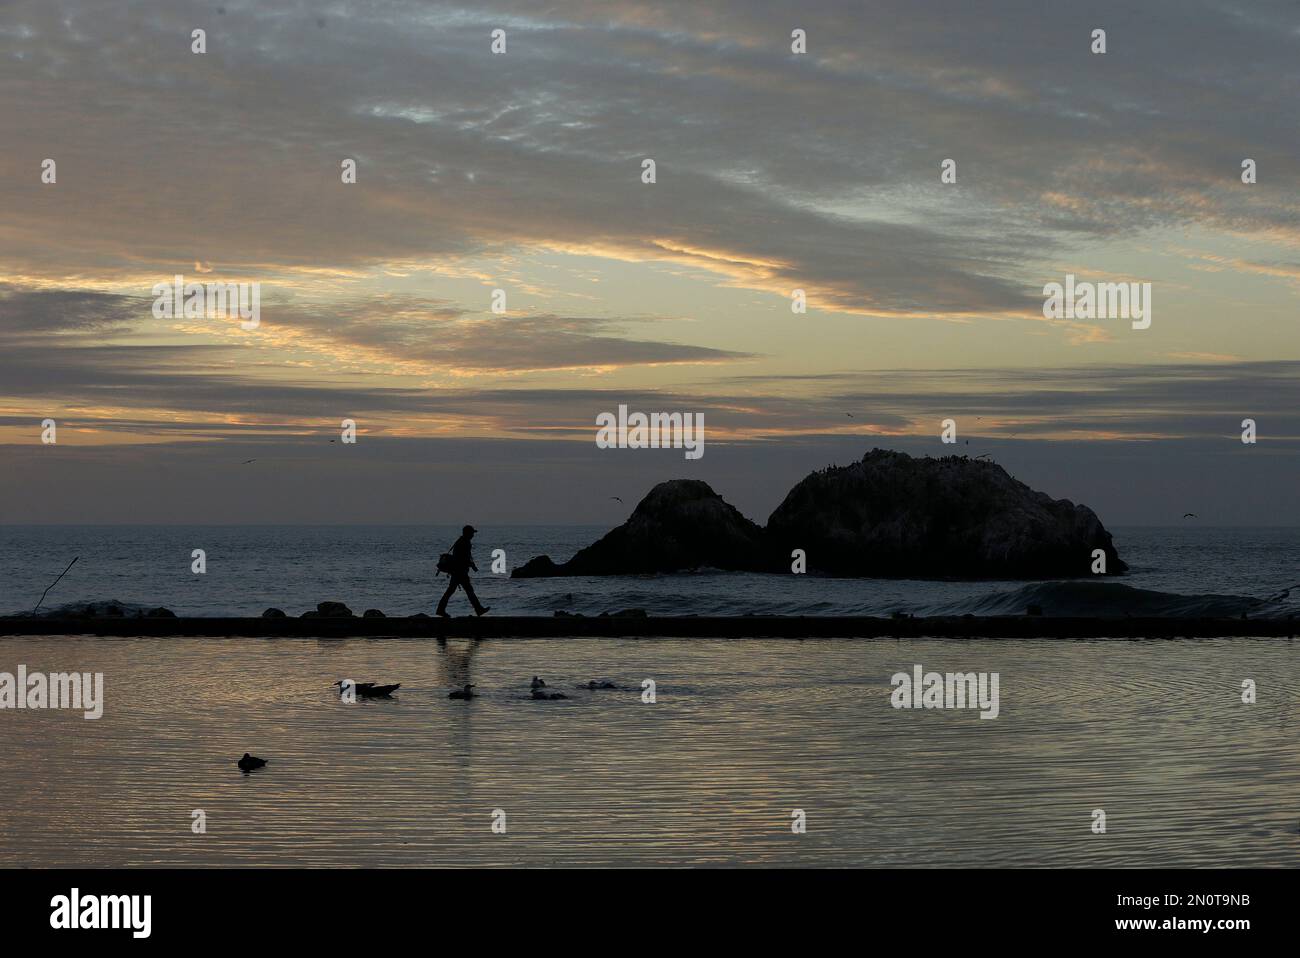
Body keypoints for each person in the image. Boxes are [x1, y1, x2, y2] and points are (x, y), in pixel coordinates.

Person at [437, 525, 490, 617]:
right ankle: (478, 609)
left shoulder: (461, 541)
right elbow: (462, 558)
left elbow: (463, 557)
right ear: (468, 533)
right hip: (460, 572)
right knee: (467, 590)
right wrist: (470, 564)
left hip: (458, 571)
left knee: (453, 591)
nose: (473, 535)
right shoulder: (465, 542)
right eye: (472, 533)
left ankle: (440, 610)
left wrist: (470, 564)